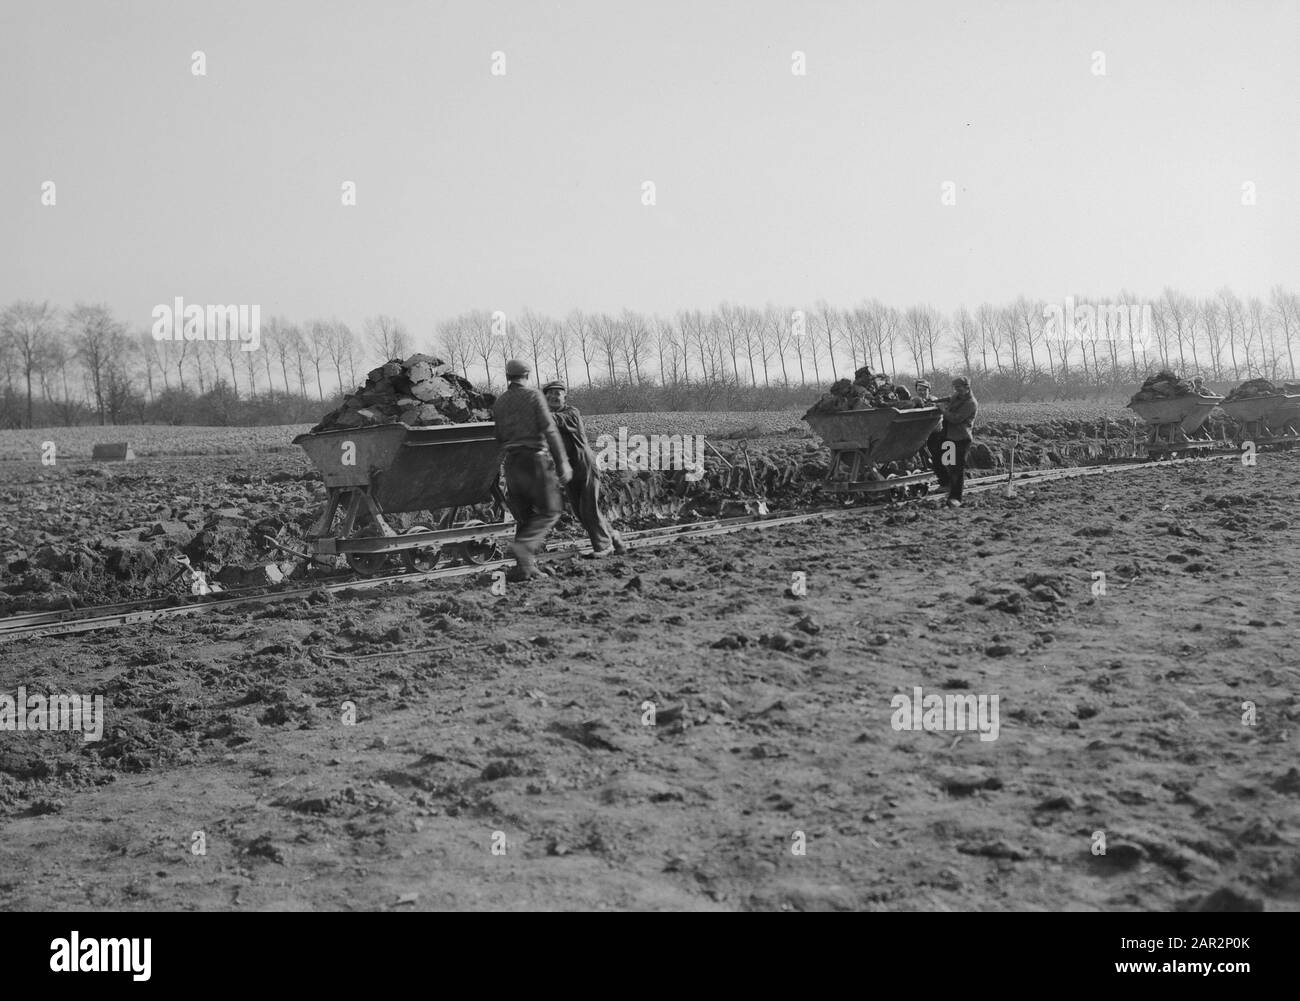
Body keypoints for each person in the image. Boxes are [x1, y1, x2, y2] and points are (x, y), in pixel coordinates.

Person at [491, 359, 572, 581]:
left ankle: (524, 568)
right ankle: (525, 547)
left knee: (525, 517)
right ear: (527, 375)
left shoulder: (499, 403)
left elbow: (498, 437)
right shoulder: (534, 396)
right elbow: (550, 430)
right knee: (551, 510)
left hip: (512, 464)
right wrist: (562, 462)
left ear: (508, 376)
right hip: (534, 461)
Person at [543, 379, 626, 557]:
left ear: (565, 396)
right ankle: (613, 536)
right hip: (568, 469)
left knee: (589, 508)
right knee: (581, 512)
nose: (553, 397)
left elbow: (554, 419)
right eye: (549, 394)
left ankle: (604, 547)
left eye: (557, 393)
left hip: (585, 465)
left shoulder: (571, 413)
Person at [934, 376, 978, 507]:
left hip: (960, 438)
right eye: (955, 388)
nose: (956, 390)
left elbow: (955, 419)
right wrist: (935, 401)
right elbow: (949, 398)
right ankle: (946, 483)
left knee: (957, 469)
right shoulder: (957, 396)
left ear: (967, 387)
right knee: (939, 459)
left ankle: (956, 498)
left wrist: (943, 410)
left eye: (959, 388)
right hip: (949, 436)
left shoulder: (971, 403)